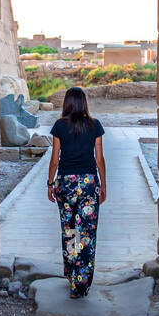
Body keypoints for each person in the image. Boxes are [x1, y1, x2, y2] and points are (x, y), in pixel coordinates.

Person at [45, 87, 107, 298]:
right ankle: (80, 284)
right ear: (84, 103)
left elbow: (55, 159)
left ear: (67, 103)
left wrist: (50, 183)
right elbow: (99, 159)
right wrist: (103, 185)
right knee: (86, 234)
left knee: (70, 230)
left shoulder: (59, 126)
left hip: (66, 184)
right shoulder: (94, 125)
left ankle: (72, 273)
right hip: (89, 183)